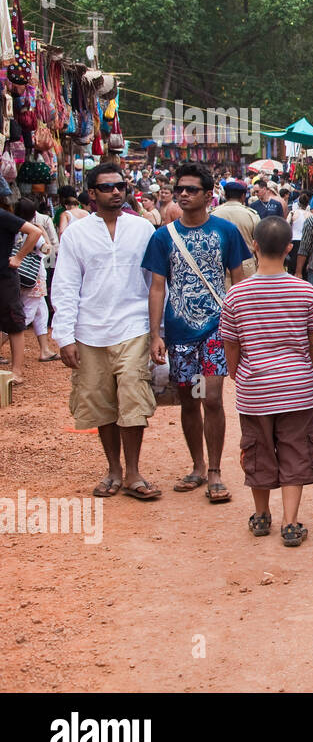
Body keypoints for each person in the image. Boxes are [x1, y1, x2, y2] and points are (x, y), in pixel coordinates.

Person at [51, 163, 160, 499]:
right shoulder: (76, 234)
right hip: (90, 330)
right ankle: (113, 470)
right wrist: (65, 336)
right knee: (102, 403)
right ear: (92, 194)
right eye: (108, 186)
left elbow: (156, 284)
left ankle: (134, 473)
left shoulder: (143, 229)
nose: (116, 191)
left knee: (133, 400)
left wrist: (158, 331)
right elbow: (66, 285)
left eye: (120, 185)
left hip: (134, 325)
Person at [143, 163, 251, 504]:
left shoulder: (226, 232)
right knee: (188, 400)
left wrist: (243, 326)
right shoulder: (163, 237)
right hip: (178, 334)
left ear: (208, 195)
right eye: (181, 189)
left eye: (192, 189)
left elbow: (238, 280)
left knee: (213, 398)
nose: (184, 194)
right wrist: (155, 334)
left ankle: (216, 470)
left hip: (216, 331)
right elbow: (157, 288)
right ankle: (198, 466)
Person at [220, 216, 313, 547]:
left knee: (258, 451)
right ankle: (291, 522)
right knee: (296, 449)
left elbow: (231, 343)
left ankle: (260, 515)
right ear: (288, 248)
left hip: (255, 390)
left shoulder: (236, 295)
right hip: (296, 388)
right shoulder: (305, 291)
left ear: (254, 246)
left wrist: (237, 374)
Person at [0, 197, 45, 384]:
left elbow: (35, 231)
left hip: (5, 277)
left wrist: (18, 257)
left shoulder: (3, 216)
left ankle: (16, 372)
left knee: (15, 324)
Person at [11, 199, 59, 364]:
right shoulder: (34, 230)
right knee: (25, 316)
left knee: (41, 312)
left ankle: (45, 350)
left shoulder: (13, 228)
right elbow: (47, 252)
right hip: (34, 277)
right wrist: (44, 234)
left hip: (18, 274)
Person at [212, 180, 259, 279]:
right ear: (243, 196)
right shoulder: (251, 215)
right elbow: (259, 243)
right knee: (245, 294)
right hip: (245, 264)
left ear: (225, 195)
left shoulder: (214, 214)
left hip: (219, 264)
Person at [287, 192, 313, 274]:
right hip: (306, 242)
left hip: (294, 241)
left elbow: (287, 225)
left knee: (293, 266)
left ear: (298, 203)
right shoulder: (311, 215)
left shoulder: (293, 213)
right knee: (304, 267)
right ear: (308, 204)